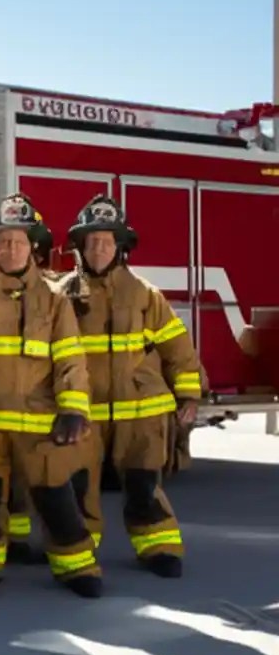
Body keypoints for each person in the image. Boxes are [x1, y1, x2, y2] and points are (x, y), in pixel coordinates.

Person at [0, 193, 102, 598]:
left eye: (18, 242)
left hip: (40, 426)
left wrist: (73, 409)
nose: (11, 249)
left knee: (56, 500)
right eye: (3, 242)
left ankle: (77, 566)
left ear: (32, 247)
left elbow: (71, 358)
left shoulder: (54, 300)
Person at [57, 195, 202, 578]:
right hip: (84, 415)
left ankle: (158, 547)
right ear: (80, 248)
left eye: (106, 241)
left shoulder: (144, 295)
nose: (99, 249)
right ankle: (80, 555)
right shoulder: (62, 297)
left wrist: (188, 393)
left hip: (139, 412)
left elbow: (178, 348)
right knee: (80, 488)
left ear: (120, 247)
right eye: (92, 242)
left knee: (143, 485)